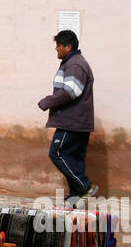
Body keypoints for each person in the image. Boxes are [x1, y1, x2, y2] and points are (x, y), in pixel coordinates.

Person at [37, 30, 97, 206]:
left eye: (59, 45)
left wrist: (48, 101)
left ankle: (84, 186)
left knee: (57, 153)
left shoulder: (75, 64)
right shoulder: (73, 62)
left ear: (68, 46)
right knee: (74, 158)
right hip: (77, 121)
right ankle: (75, 197)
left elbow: (71, 92)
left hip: (72, 121)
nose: (56, 49)